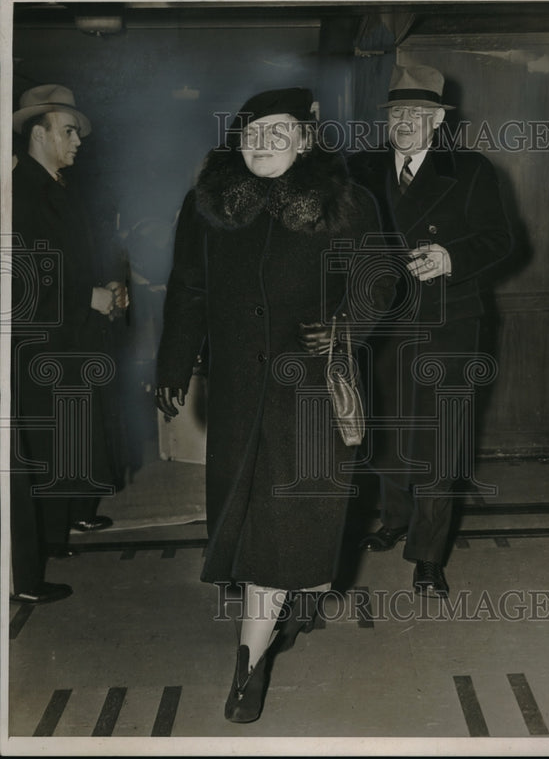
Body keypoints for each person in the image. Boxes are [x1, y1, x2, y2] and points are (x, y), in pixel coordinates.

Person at [155, 87, 394, 722]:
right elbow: (189, 289)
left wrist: (346, 325)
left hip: (312, 387)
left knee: (291, 519)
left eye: (279, 133)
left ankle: (251, 666)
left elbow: (379, 279)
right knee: (262, 520)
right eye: (252, 133)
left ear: (306, 140)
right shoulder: (209, 207)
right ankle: (284, 613)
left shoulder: (347, 203)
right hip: (239, 391)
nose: (263, 144)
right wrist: (172, 364)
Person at [348, 61, 513, 597]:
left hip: (450, 321)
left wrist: (451, 256)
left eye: (418, 112)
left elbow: (501, 240)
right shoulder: (359, 168)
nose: (406, 121)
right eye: (398, 111)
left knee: (442, 436)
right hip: (381, 322)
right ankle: (395, 519)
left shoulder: (471, 169)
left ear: (438, 120)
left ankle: (428, 553)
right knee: (387, 427)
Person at [10, 84, 129, 604]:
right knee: (36, 453)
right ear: (38, 133)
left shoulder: (58, 186)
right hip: (40, 345)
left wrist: (111, 288)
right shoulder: (20, 194)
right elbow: (24, 280)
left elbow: (80, 256)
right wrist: (89, 297)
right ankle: (26, 573)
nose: (77, 141)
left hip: (71, 339)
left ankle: (54, 540)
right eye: (68, 130)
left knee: (64, 440)